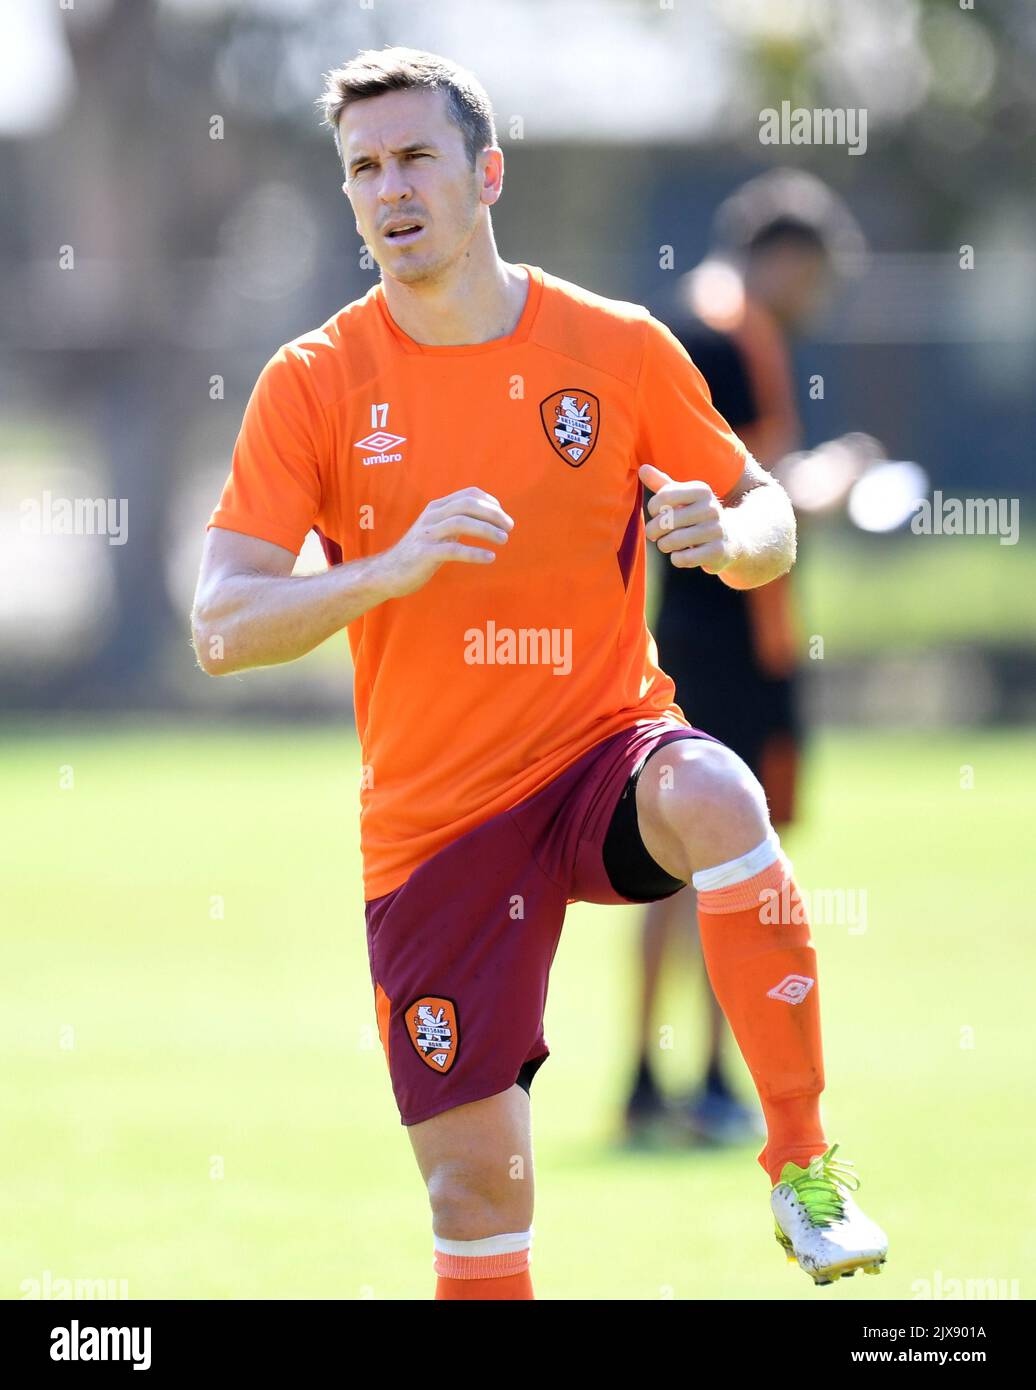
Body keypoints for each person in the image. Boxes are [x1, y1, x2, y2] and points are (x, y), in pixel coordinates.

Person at [190, 48, 887, 1299]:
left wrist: (730, 541)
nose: (388, 189)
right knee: (478, 1197)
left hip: (600, 751)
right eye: (363, 168)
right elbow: (225, 623)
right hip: (435, 822)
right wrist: (383, 571)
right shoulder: (315, 380)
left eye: (415, 158)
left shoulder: (614, 348)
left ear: (486, 173)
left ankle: (800, 1165)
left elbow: (765, 501)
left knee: (722, 800)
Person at [625, 171, 869, 1146]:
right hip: (729, 639)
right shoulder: (734, 333)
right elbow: (748, 495)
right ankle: (712, 1080)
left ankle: (650, 1077)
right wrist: (838, 477)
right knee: (735, 862)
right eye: (811, 275)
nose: (812, 297)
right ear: (782, 257)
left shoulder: (688, 323)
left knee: (675, 866)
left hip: (683, 636)